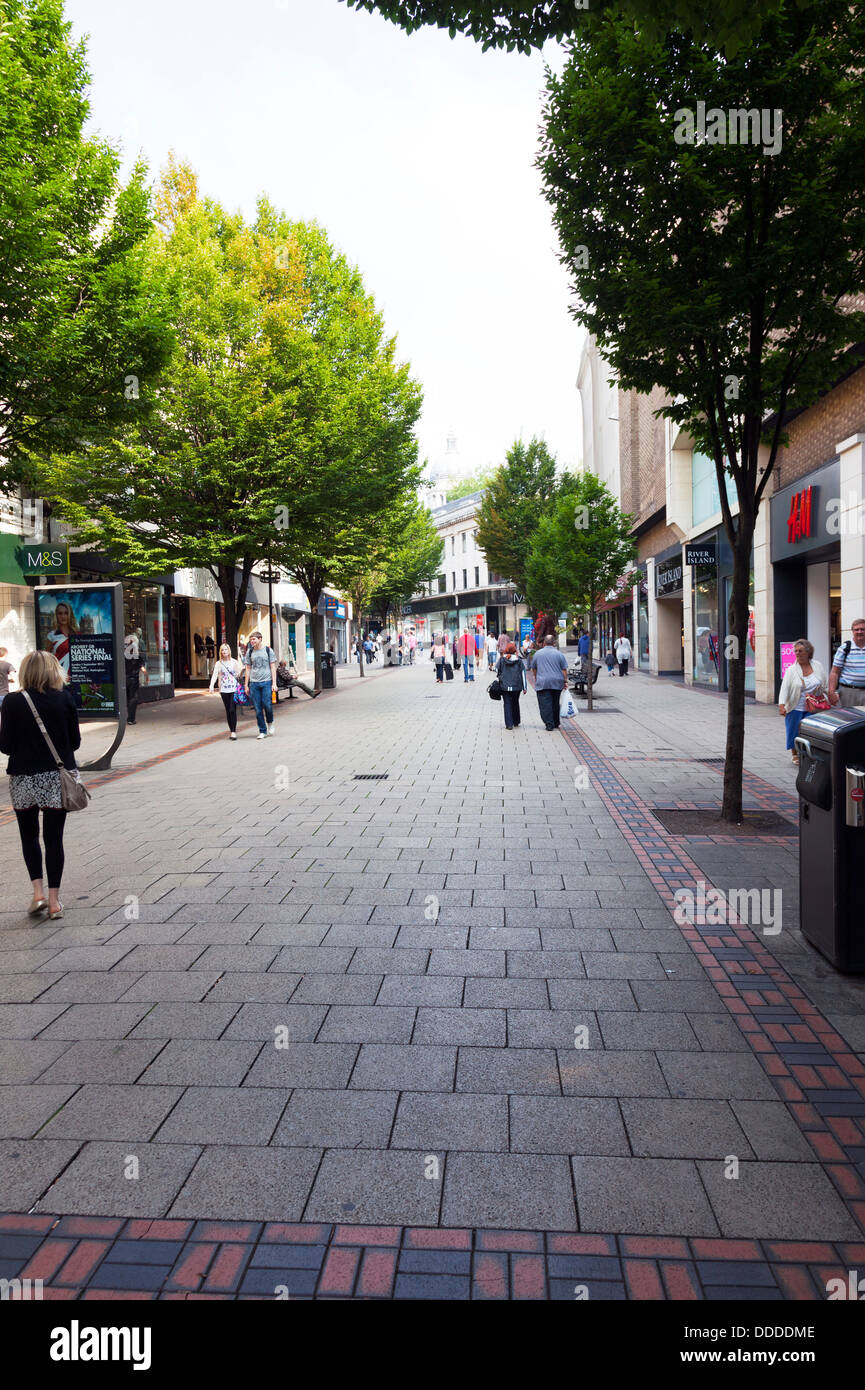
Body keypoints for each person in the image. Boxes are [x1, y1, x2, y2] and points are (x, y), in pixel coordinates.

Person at [0, 650, 82, 920]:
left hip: (23, 778)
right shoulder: (65, 699)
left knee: (29, 836)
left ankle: (37, 894)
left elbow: (6, 746)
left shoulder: (12, 702)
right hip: (55, 779)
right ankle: (55, 901)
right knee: (53, 838)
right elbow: (75, 743)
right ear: (53, 670)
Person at [779, 639, 828, 765]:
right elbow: (785, 688)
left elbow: (825, 683)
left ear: (808, 651)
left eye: (800, 651)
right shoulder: (791, 670)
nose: (797, 653)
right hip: (796, 706)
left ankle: (809, 753)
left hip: (814, 706)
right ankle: (795, 754)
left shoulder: (817, 666)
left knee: (812, 732)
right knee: (793, 731)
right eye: (795, 651)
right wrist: (782, 705)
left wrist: (830, 695)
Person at [530, 634, 569, 731]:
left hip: (543, 682)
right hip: (557, 682)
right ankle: (556, 722)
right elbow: (564, 669)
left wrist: (536, 677)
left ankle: (549, 723)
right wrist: (565, 681)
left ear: (544, 643)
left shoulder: (537, 654)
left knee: (545, 703)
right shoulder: (559, 654)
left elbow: (533, 668)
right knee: (555, 702)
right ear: (554, 643)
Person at [243, 631, 277, 737]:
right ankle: (262, 731)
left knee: (267, 705)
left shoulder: (268, 650)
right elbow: (247, 669)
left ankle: (270, 723)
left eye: (254, 639)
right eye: (251, 639)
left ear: (260, 639)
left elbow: (273, 667)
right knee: (257, 709)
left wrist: (274, 683)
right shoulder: (249, 652)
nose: (252, 641)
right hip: (254, 684)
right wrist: (246, 685)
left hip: (266, 682)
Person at [828, 618, 865, 709]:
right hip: (848, 692)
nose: (859, 632)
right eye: (856, 629)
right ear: (852, 631)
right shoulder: (844, 648)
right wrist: (831, 691)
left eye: (862, 629)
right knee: (848, 719)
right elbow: (834, 672)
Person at [209, 643, 244, 738]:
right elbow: (215, 675)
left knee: (232, 709)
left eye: (226, 649)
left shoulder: (234, 662)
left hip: (234, 688)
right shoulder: (219, 663)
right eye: (222, 650)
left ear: (229, 651)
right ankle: (231, 730)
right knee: (228, 710)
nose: (224, 651)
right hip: (224, 690)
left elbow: (239, 673)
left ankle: (234, 732)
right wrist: (211, 686)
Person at [496, 640, 527, 729]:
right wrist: (525, 687)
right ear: (515, 650)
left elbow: (496, 670)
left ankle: (509, 724)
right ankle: (516, 721)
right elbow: (523, 674)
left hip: (505, 686)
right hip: (517, 686)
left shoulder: (502, 660)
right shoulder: (519, 661)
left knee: (507, 704)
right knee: (515, 702)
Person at [45, 601, 78, 676]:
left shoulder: (77, 635)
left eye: (66, 613)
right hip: (59, 676)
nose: (63, 616)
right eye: (60, 613)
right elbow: (47, 659)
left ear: (70, 615)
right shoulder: (51, 635)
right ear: (56, 616)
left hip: (76, 676)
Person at [123, 626, 147, 725]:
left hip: (124, 678)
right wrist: (146, 675)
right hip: (133, 679)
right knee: (132, 698)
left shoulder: (123, 656)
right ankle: (131, 719)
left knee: (127, 698)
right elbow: (142, 668)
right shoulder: (137, 657)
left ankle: (127, 717)